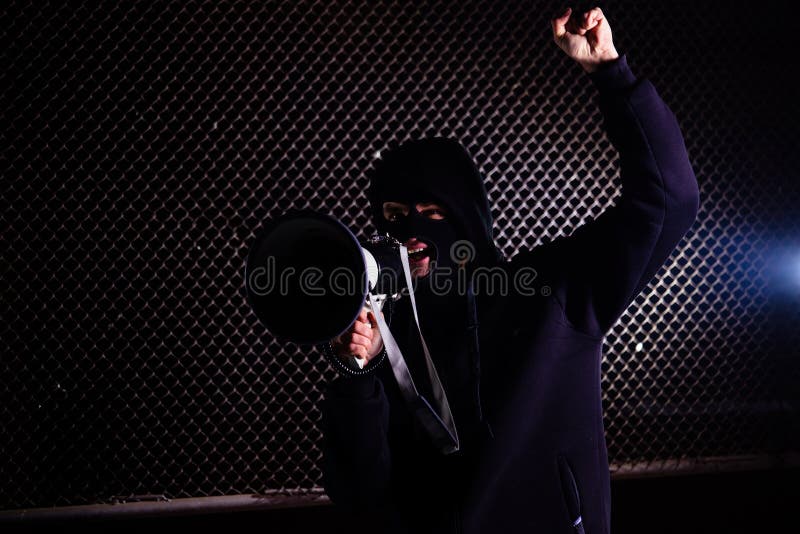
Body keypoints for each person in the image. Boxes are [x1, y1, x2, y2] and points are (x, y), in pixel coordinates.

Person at [321, 6, 700, 534]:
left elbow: (668, 201)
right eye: (394, 218)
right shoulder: (381, 329)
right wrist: (356, 377)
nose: (414, 233)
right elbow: (361, 496)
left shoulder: (549, 292)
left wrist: (611, 72)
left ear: (469, 221)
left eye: (434, 215)